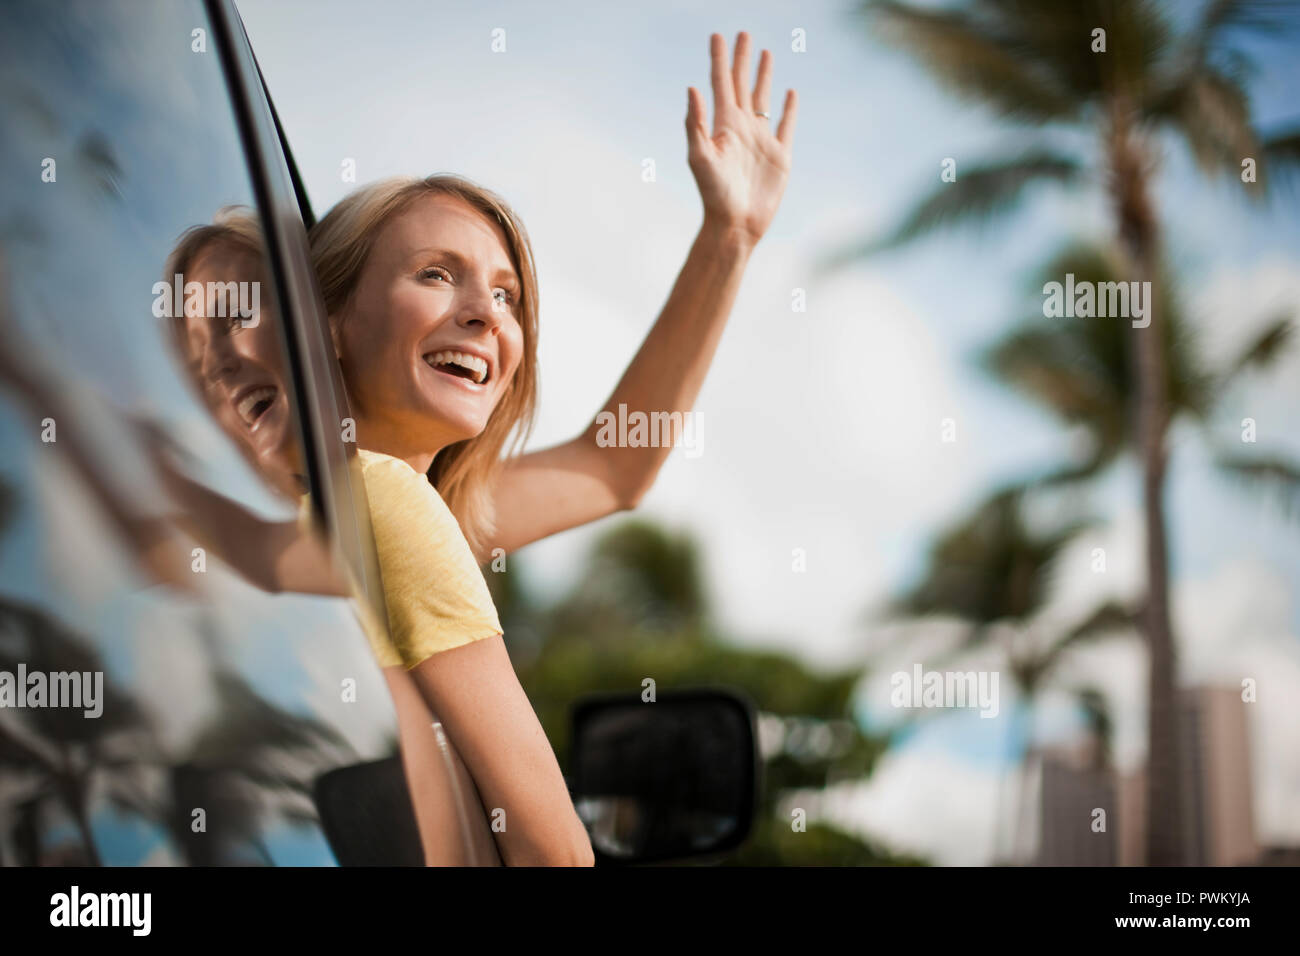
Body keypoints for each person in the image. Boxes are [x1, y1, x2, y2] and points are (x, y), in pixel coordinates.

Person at [310, 31, 797, 866]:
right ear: (331, 324)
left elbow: (614, 467)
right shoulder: (389, 502)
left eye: (506, 294)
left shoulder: (360, 508)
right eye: (435, 273)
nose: (486, 314)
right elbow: (557, 856)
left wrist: (731, 234)